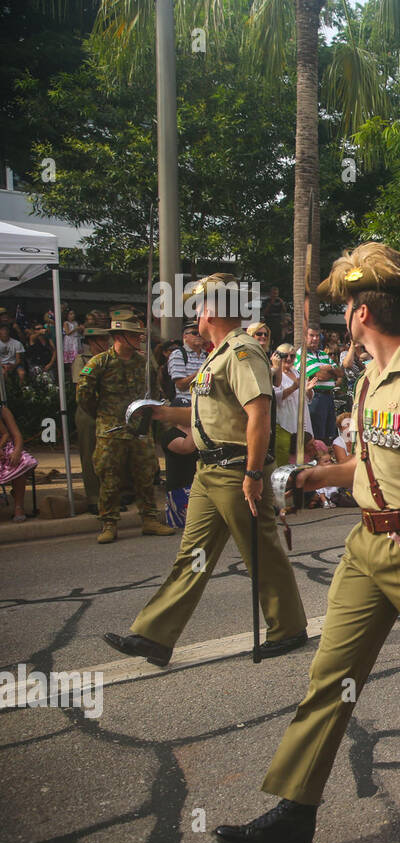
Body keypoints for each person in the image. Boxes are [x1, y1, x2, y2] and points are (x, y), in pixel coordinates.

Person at [213, 242, 400, 843]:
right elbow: (370, 468)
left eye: (346, 307)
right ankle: (296, 809)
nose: (341, 317)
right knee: (330, 675)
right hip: (366, 545)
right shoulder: (369, 378)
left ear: (362, 315)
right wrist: (311, 478)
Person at [102, 275, 308, 667]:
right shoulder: (218, 354)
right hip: (209, 472)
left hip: (235, 470)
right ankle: (154, 636)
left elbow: (259, 413)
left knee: (260, 552)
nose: (195, 315)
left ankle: (288, 627)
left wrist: (253, 474)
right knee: (192, 555)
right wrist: (158, 412)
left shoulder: (243, 351)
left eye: (198, 307)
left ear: (211, 309)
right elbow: (205, 414)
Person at [75, 309, 176, 544]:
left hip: (139, 431)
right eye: (135, 334)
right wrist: (105, 416)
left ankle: (149, 519)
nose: (140, 337)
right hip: (110, 432)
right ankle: (109, 523)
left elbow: (152, 392)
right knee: (109, 478)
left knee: (145, 475)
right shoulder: (99, 363)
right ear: (120, 336)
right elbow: (84, 397)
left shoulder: (144, 363)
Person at [74, 320, 113, 508]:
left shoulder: (110, 360)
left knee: (110, 457)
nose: (107, 343)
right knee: (90, 456)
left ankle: (110, 497)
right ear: (93, 341)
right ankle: (94, 499)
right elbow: (81, 392)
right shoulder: (82, 360)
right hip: (88, 412)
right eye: (103, 339)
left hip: (108, 412)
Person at [0, 374, 37, 521]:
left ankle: (18, 506)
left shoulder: (3, 410)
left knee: (19, 462)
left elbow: (15, 435)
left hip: (6, 448)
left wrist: (16, 451)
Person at [270, 343, 314, 468]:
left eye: (292, 356)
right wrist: (294, 387)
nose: (289, 359)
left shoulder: (297, 372)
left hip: (302, 418)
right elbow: (276, 397)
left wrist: (308, 390)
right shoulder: (275, 374)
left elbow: (308, 398)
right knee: (286, 458)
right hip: (285, 421)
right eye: (285, 356)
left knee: (305, 455)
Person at [300, 324, 342, 443]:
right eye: (311, 335)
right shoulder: (301, 354)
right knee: (317, 434)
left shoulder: (323, 354)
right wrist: (330, 371)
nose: (315, 338)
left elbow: (340, 373)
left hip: (329, 396)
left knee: (329, 433)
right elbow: (321, 375)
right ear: (305, 337)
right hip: (314, 396)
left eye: (317, 336)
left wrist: (328, 369)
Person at [168, 322, 208, 406]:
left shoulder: (207, 355)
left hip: (204, 403)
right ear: (185, 336)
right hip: (185, 403)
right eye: (194, 333)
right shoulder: (178, 354)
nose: (198, 335)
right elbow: (180, 385)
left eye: (200, 333)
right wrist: (200, 373)